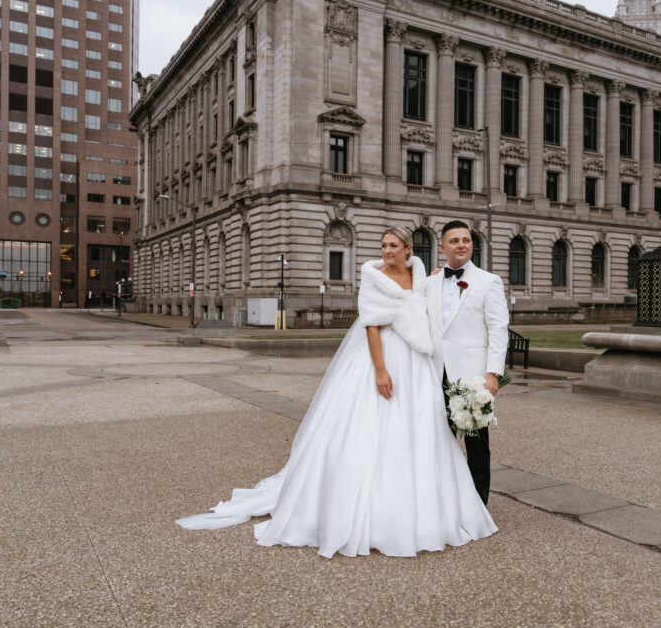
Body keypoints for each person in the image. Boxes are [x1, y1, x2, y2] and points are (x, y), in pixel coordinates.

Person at [177, 227, 497, 558]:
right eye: (383, 245)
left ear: (408, 249)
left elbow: (432, 300)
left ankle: (426, 504)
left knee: (420, 430)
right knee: (368, 430)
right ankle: (370, 509)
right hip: (385, 357)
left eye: (393, 246)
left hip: (418, 363)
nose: (386, 251)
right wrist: (381, 370)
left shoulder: (422, 275)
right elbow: (371, 325)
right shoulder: (373, 276)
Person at [426, 220, 510, 505]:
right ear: (442, 247)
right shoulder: (430, 282)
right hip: (435, 373)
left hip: (472, 376)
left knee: (476, 445)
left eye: (466, 240)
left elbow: (498, 328)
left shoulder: (489, 281)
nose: (461, 245)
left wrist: (493, 373)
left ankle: (477, 504)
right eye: (454, 241)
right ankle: (443, 499)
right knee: (439, 441)